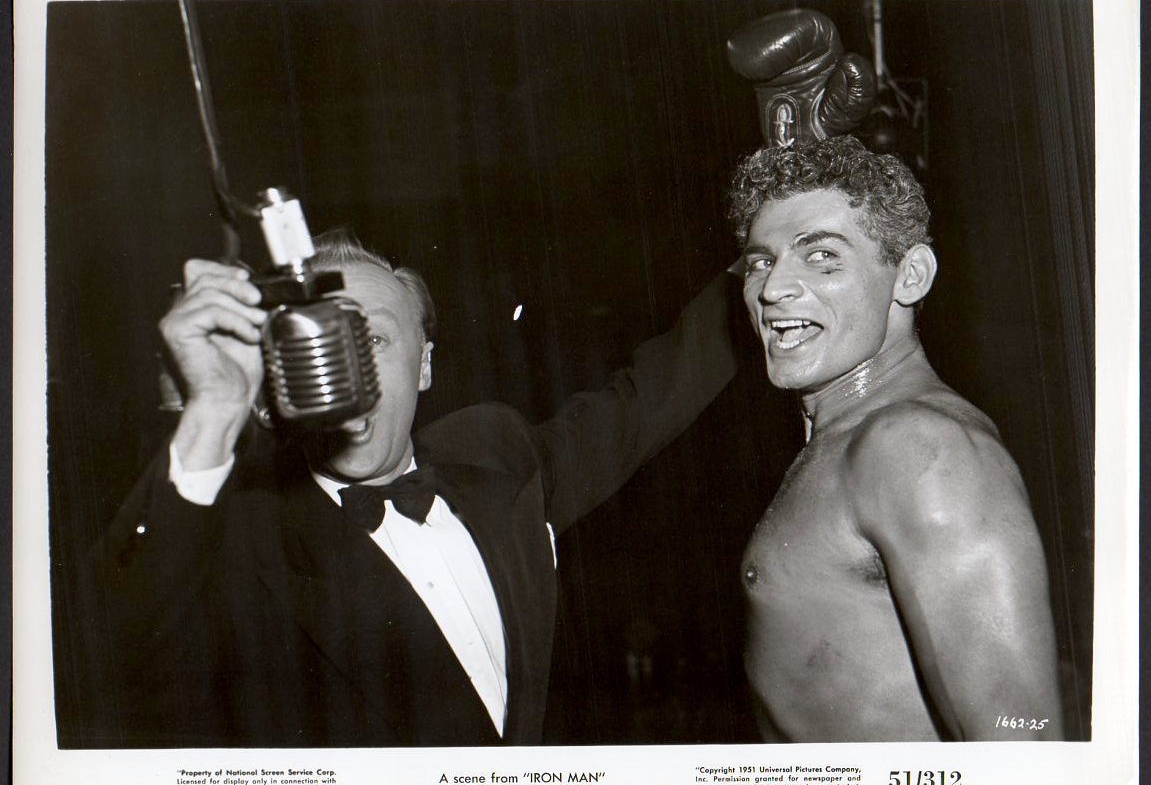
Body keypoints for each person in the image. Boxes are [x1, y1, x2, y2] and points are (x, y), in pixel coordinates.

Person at [101, 230, 740, 747]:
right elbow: (115, 656)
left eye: (374, 338)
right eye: (322, 343)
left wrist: (766, 269)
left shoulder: (498, 454)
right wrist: (210, 414)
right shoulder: (241, 536)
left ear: (425, 364)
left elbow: (647, 399)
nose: (351, 369)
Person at [729, 135, 1063, 742]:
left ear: (910, 276)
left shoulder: (915, 446)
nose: (774, 288)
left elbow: (1023, 745)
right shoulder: (849, 439)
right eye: (760, 262)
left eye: (821, 256)